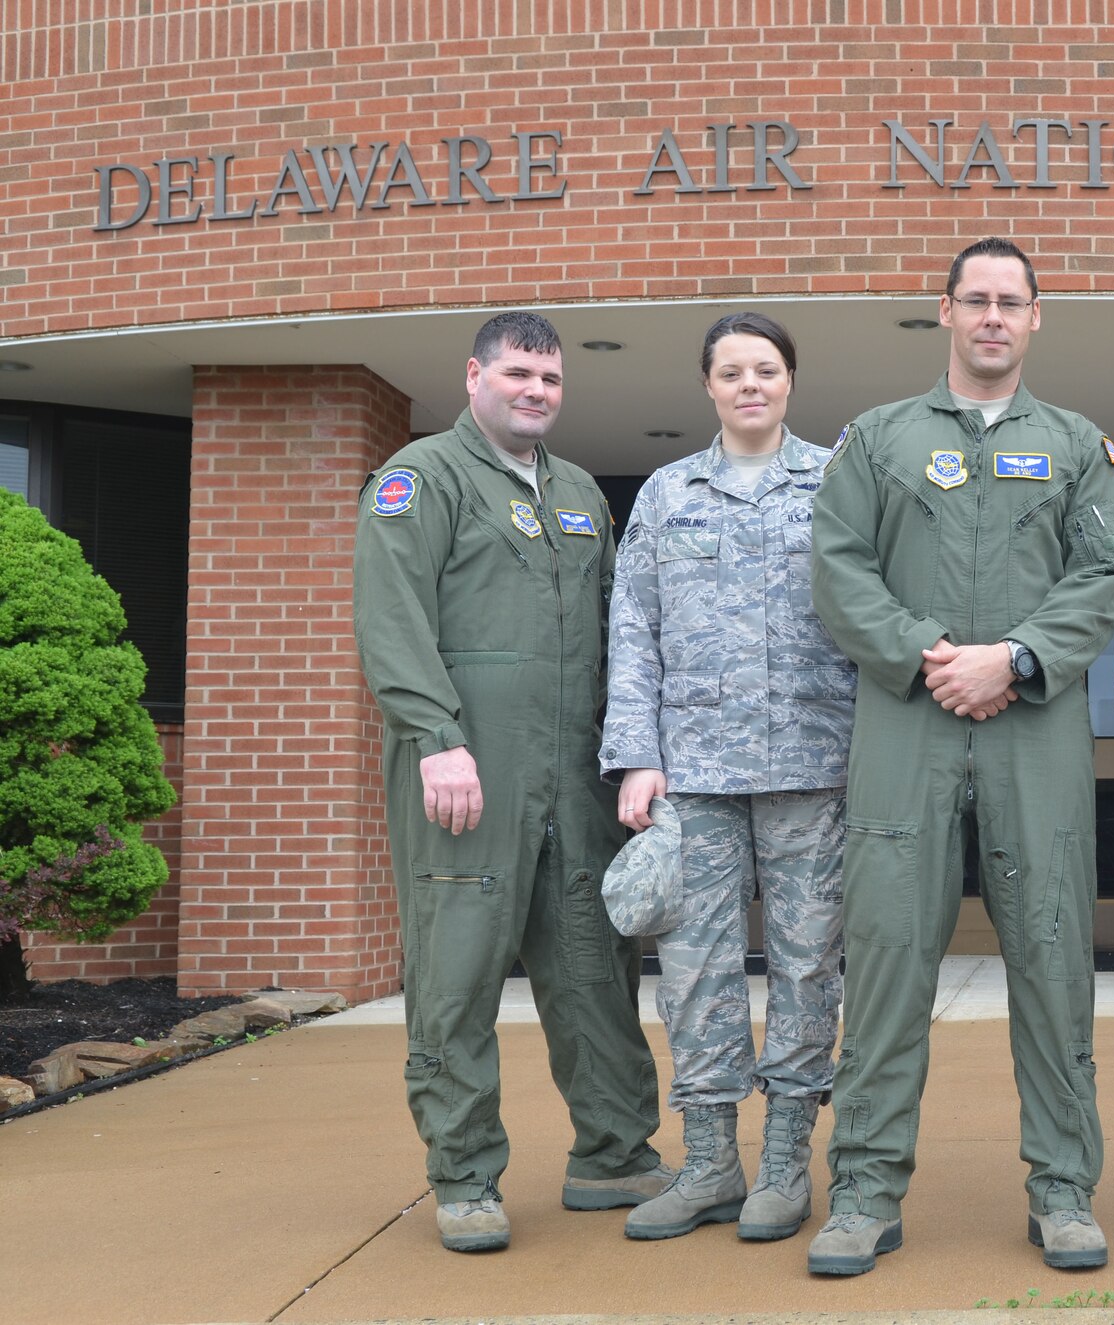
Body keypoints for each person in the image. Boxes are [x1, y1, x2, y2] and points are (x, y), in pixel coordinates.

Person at [804, 237, 1114, 1276]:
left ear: (1036, 317)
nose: (993, 316)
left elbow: (1104, 571)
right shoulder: (878, 439)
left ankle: (1063, 1189)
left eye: (1011, 301)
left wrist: (1016, 657)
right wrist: (926, 653)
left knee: (1051, 954)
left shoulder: (1076, 445)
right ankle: (864, 1190)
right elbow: (838, 565)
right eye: (976, 299)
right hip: (906, 719)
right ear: (943, 311)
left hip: (1033, 724)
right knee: (887, 953)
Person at [353, 311, 669, 1254]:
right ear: (475, 376)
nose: (536, 391)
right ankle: (464, 1176)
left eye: (550, 378)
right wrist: (436, 738)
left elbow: (621, 630)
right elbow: (391, 616)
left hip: (577, 776)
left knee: (595, 967)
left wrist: (635, 748)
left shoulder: (579, 492)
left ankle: (613, 1154)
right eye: (519, 374)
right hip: (468, 773)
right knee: (455, 975)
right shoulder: (422, 478)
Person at [600, 312, 856, 1244]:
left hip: (813, 766)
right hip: (696, 772)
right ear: (708, 385)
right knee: (695, 969)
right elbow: (633, 628)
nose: (751, 385)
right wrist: (636, 756)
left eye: (767, 369)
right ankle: (710, 1163)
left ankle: (785, 1164)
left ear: (790, 381)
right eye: (733, 372)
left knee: (806, 964)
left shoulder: (838, 483)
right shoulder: (668, 492)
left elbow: (872, 616)